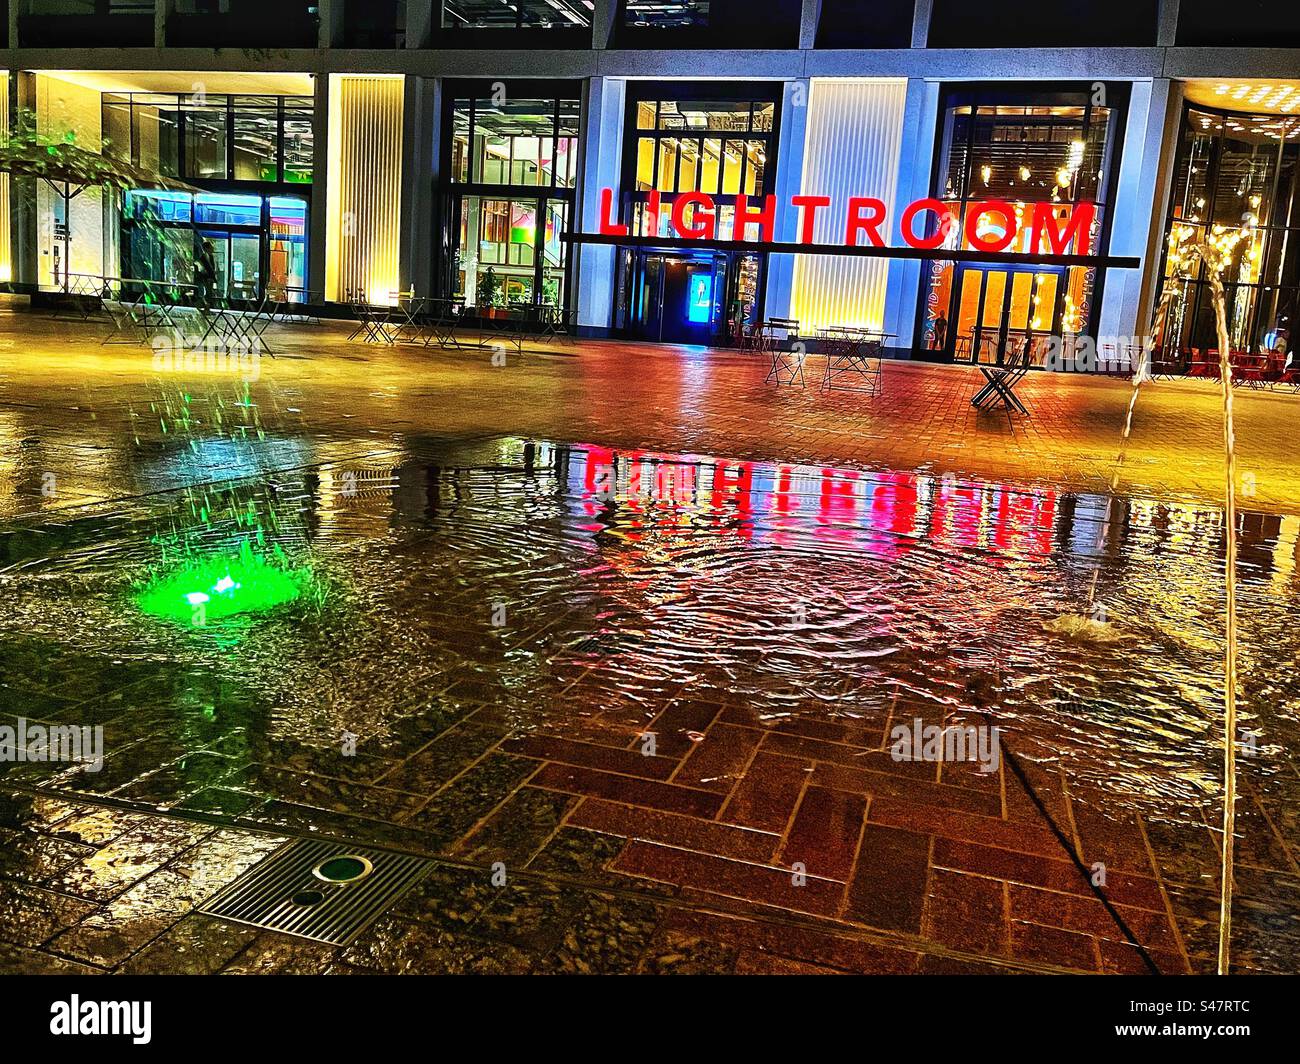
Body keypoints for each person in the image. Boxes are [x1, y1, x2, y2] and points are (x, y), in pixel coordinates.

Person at [194, 238, 217, 308]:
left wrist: (213, 278)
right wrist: (207, 277)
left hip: (210, 278)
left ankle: (204, 306)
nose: (212, 249)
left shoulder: (211, 257)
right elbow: (202, 269)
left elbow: (212, 268)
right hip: (206, 279)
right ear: (207, 248)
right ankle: (201, 304)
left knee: (209, 293)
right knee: (208, 293)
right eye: (211, 247)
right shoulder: (202, 258)